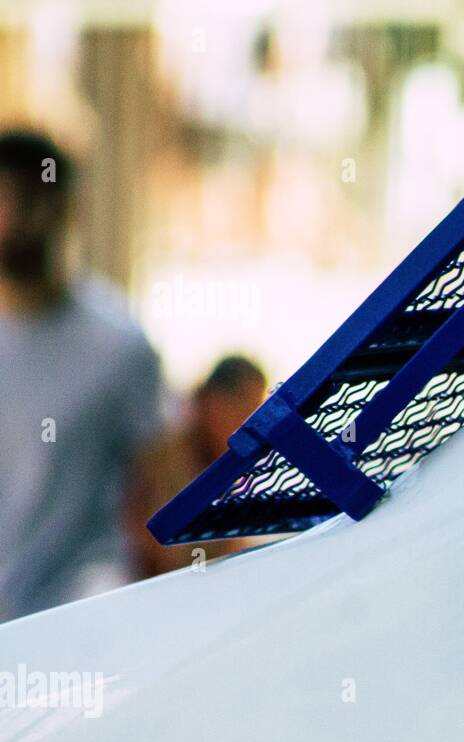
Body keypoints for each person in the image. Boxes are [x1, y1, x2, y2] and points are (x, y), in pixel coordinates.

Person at [0, 130, 163, 623]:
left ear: (67, 207)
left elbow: (166, 493)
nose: (11, 216)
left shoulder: (121, 347)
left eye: (28, 198)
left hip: (77, 628)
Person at [126, 355, 267, 578]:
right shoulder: (162, 459)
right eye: (241, 407)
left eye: (254, 411)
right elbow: (149, 549)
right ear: (211, 401)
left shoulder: (228, 470)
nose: (247, 423)